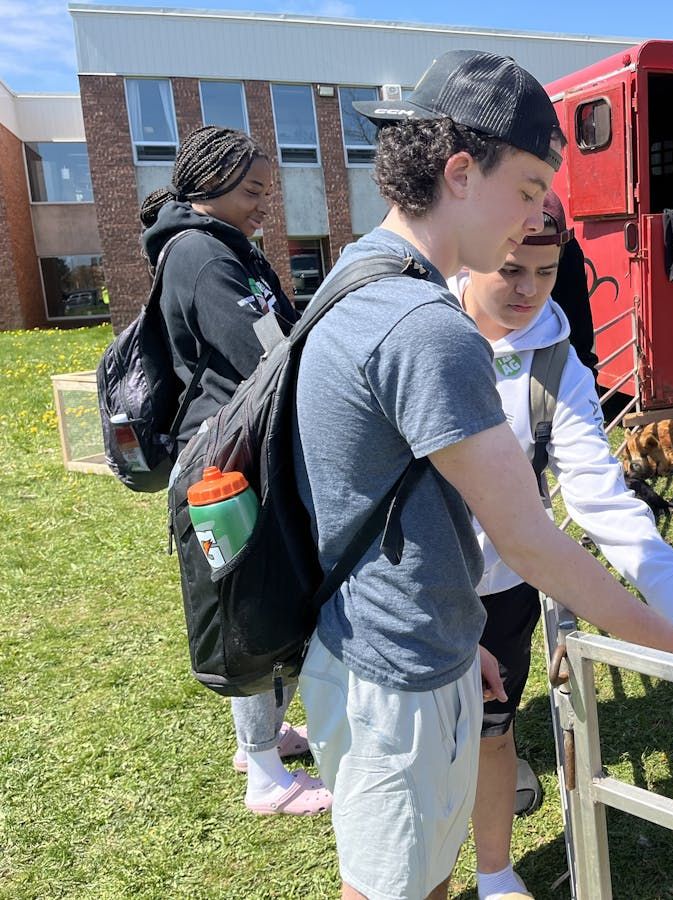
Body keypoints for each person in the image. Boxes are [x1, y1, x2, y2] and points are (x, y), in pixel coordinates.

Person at [291, 50, 673, 900]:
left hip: (390, 644)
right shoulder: (425, 328)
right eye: (531, 185)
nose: (539, 213)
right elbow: (529, 540)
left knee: (413, 878)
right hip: (396, 669)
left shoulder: (359, 277)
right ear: (461, 172)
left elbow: (380, 502)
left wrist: (451, 627)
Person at [451, 188, 673, 900]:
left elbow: (597, 492)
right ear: (468, 252)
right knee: (417, 756)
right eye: (510, 271)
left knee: (492, 731)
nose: (530, 290)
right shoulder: (419, 332)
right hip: (410, 590)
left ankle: (494, 870)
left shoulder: (557, 359)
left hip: (501, 585)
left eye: (547, 270)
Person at [139, 126, 330, 817]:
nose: (263, 205)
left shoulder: (217, 246)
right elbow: (265, 356)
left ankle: (267, 738)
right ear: (211, 182)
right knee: (251, 605)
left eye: (266, 191)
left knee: (263, 595)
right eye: (253, 191)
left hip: (241, 452)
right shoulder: (199, 254)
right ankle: (265, 780)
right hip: (225, 465)